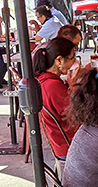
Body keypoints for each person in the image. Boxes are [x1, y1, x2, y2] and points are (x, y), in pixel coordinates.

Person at [33, 37, 80, 174]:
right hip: (69, 145)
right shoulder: (52, 86)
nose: (74, 62)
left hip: (60, 144)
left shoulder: (44, 80)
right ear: (59, 60)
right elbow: (77, 115)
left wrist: (70, 86)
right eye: (72, 58)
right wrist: (74, 88)